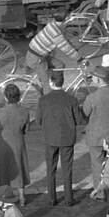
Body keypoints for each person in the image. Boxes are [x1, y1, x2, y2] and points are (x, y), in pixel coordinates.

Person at [39, 70, 83, 207]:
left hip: (50, 138)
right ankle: (69, 198)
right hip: (67, 138)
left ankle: (52, 198)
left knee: (50, 169)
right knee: (67, 168)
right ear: (63, 82)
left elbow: (38, 120)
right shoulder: (72, 100)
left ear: (51, 82)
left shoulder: (43, 100)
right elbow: (79, 120)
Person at [81, 71, 109, 177]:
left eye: (92, 78)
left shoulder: (91, 97)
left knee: (97, 166)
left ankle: (100, 192)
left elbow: (85, 115)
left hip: (95, 136)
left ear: (97, 80)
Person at [0, 82, 32, 205]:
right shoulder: (24, 111)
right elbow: (26, 129)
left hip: (3, 143)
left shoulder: (0, 112)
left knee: (3, 169)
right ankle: (22, 197)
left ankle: (5, 196)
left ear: (6, 97)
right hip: (18, 141)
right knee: (19, 168)